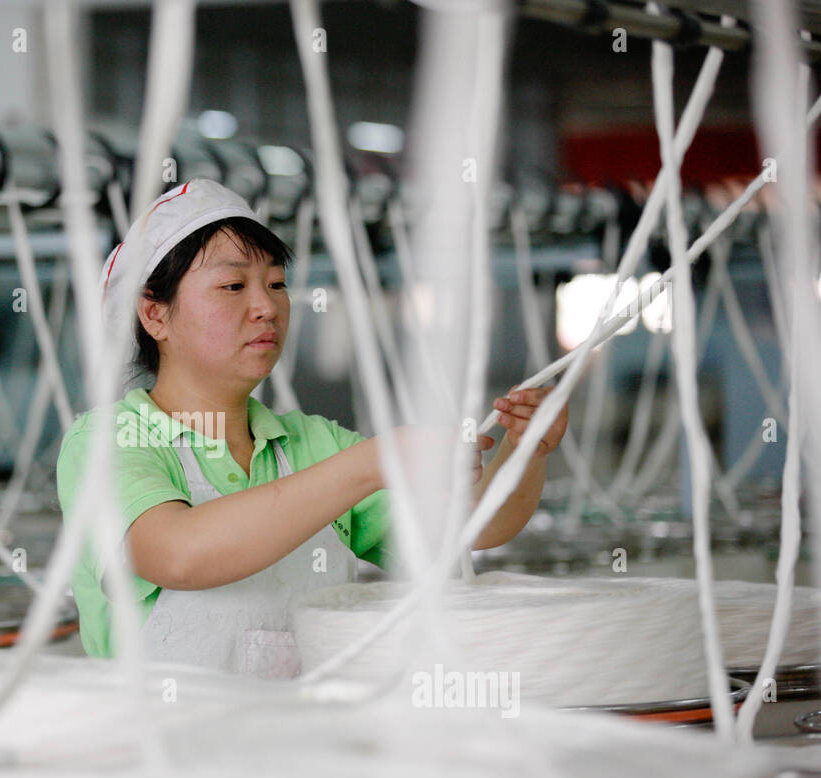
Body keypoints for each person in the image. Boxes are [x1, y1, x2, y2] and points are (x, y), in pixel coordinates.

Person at [56, 179, 567, 677]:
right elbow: (177, 554)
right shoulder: (109, 442)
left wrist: (524, 453)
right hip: (163, 750)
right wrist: (371, 465)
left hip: (305, 746)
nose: (266, 307)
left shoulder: (314, 443)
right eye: (234, 286)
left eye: (277, 284)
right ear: (155, 314)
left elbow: (470, 528)